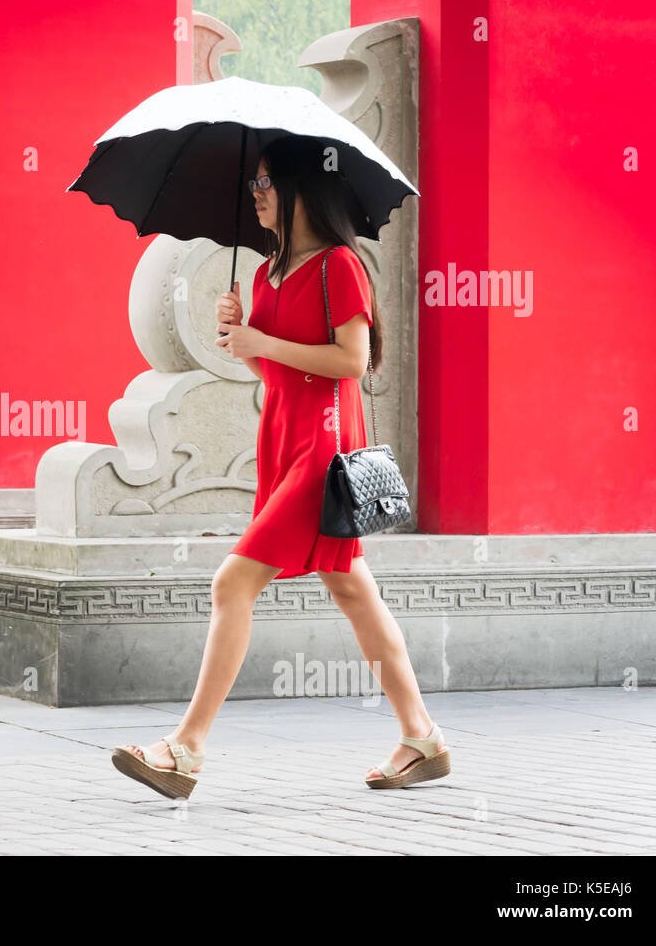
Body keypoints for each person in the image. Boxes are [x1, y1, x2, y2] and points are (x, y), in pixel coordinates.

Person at [111, 135, 449, 800]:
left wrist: (262, 338)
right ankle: (423, 736)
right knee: (353, 590)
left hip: (323, 451)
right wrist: (240, 340)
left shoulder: (338, 267)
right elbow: (274, 367)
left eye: (266, 184)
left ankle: (186, 748)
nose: (257, 196)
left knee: (232, 583)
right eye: (255, 186)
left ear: (300, 188)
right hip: (283, 442)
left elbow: (352, 363)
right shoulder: (265, 273)